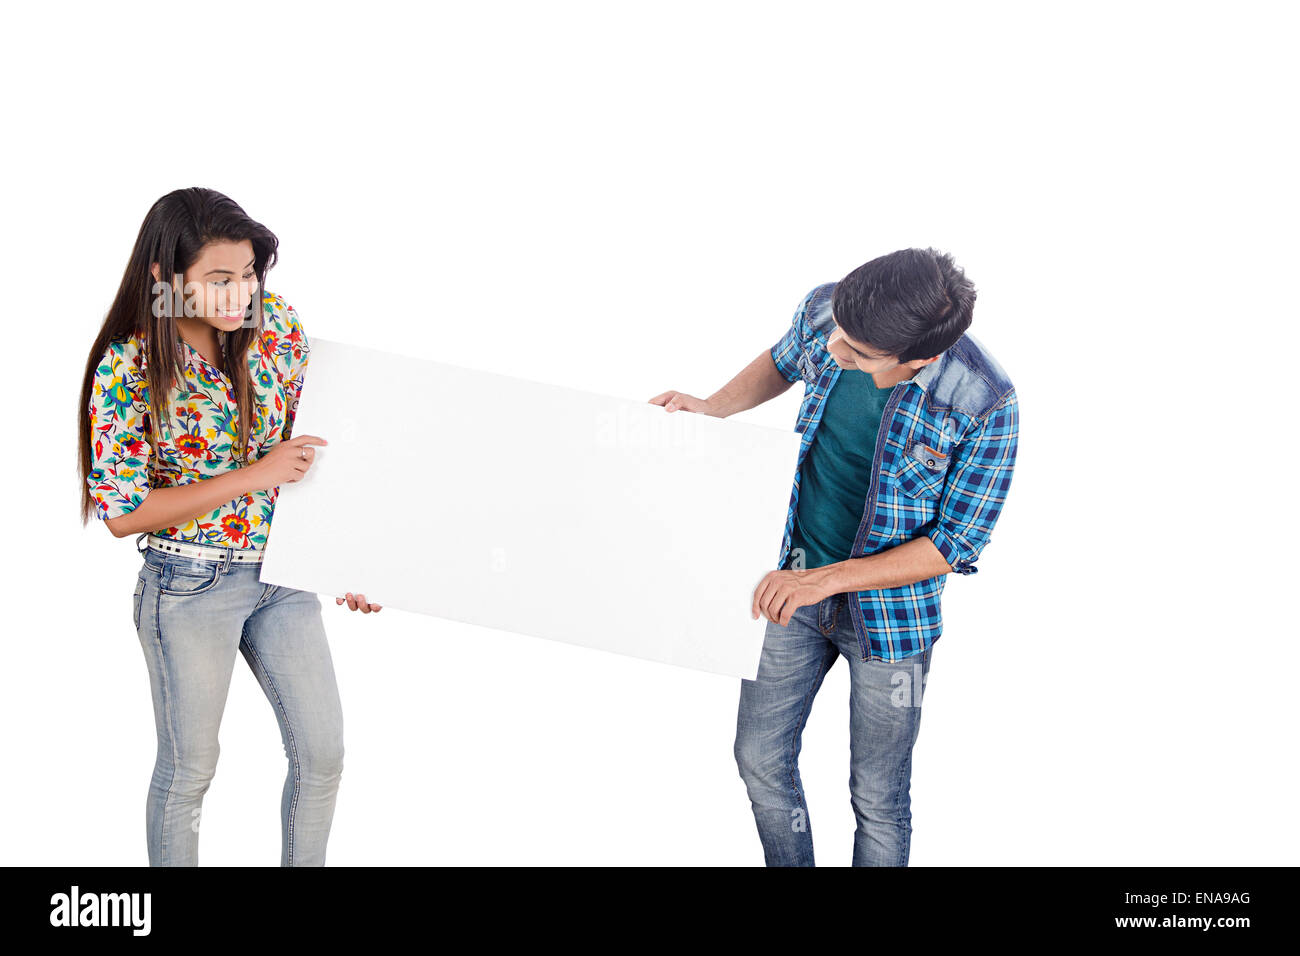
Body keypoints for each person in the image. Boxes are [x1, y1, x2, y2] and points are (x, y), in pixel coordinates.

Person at [650, 248, 1018, 865]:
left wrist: (832, 580)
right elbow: (782, 360)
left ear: (919, 359)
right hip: (789, 589)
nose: (836, 353)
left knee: (878, 798)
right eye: (839, 339)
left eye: (858, 355)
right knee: (759, 759)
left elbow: (957, 543)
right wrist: (712, 408)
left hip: (892, 626)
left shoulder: (985, 399)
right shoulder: (832, 310)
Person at [77, 187, 381, 866]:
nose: (240, 293)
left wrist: (351, 557)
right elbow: (124, 515)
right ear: (165, 279)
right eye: (219, 280)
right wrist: (255, 475)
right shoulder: (129, 367)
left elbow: (326, 442)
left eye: (248, 274)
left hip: (285, 572)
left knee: (323, 753)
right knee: (190, 772)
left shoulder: (275, 326)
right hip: (189, 584)